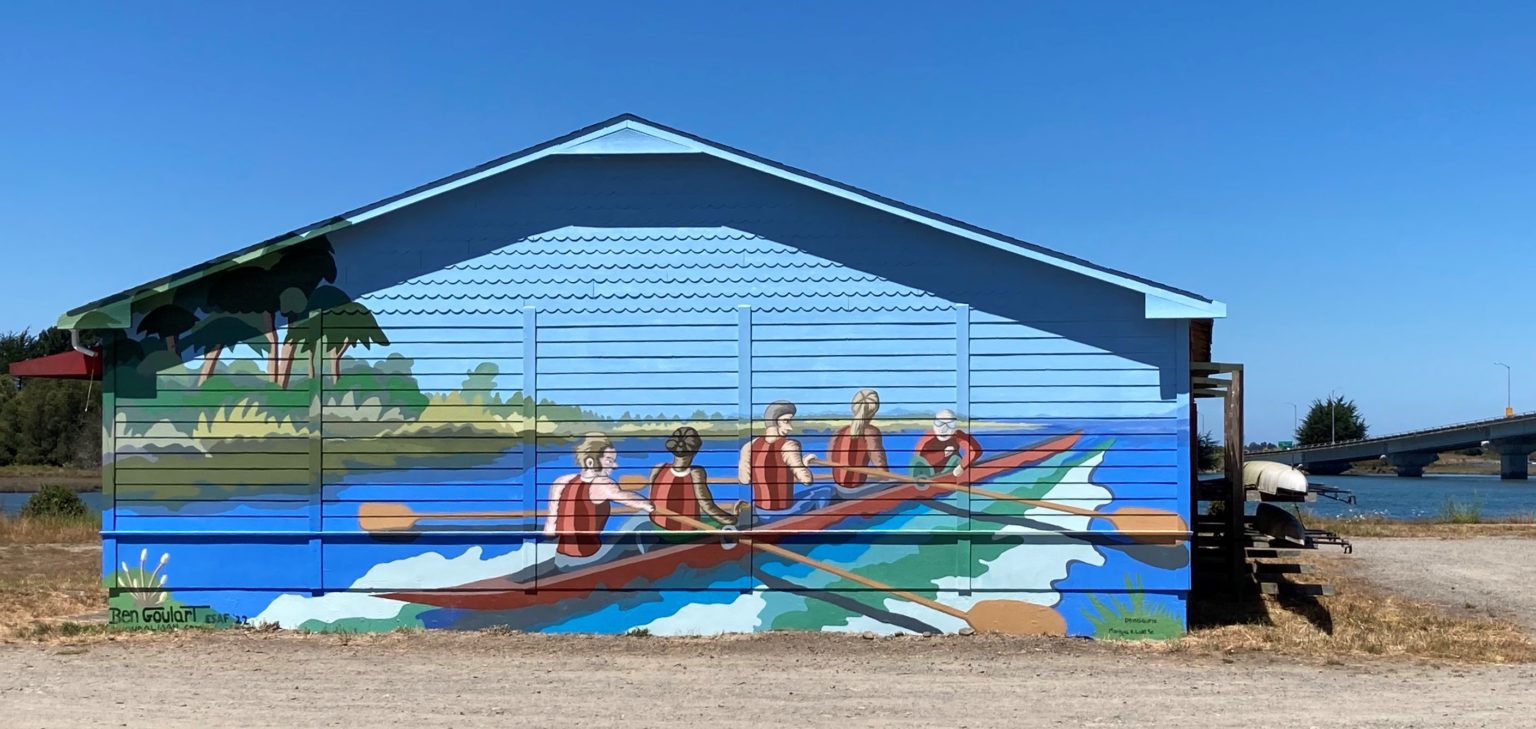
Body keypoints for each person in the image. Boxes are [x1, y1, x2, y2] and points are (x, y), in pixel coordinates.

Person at [544, 434, 654, 558]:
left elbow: (549, 530)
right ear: (590, 462)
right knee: (641, 518)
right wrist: (650, 506)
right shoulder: (602, 483)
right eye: (609, 460)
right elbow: (632, 500)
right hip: (588, 556)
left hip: (561, 556)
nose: (615, 466)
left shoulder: (561, 482)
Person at [648, 426, 746, 530]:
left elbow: (652, 499)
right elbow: (707, 507)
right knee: (724, 522)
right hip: (681, 532)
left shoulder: (658, 468)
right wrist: (734, 519)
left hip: (655, 525)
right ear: (695, 451)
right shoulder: (695, 473)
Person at [738, 400, 814, 510]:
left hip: (759, 510)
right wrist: (805, 463)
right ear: (774, 420)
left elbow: (744, 480)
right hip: (783, 510)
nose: (790, 428)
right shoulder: (789, 446)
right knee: (825, 491)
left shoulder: (748, 447)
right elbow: (806, 480)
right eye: (786, 421)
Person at [825, 389, 888, 489]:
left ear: (853, 407)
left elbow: (829, 459)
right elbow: (881, 466)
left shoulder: (840, 431)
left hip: (839, 485)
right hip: (856, 488)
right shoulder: (870, 432)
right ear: (875, 410)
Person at [911, 409, 983, 480]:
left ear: (955, 426)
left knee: (955, 458)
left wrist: (961, 467)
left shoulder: (957, 435)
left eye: (950, 425)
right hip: (927, 473)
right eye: (939, 424)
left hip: (951, 470)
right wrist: (942, 454)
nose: (943, 429)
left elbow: (975, 450)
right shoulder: (928, 437)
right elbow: (917, 458)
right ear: (933, 424)